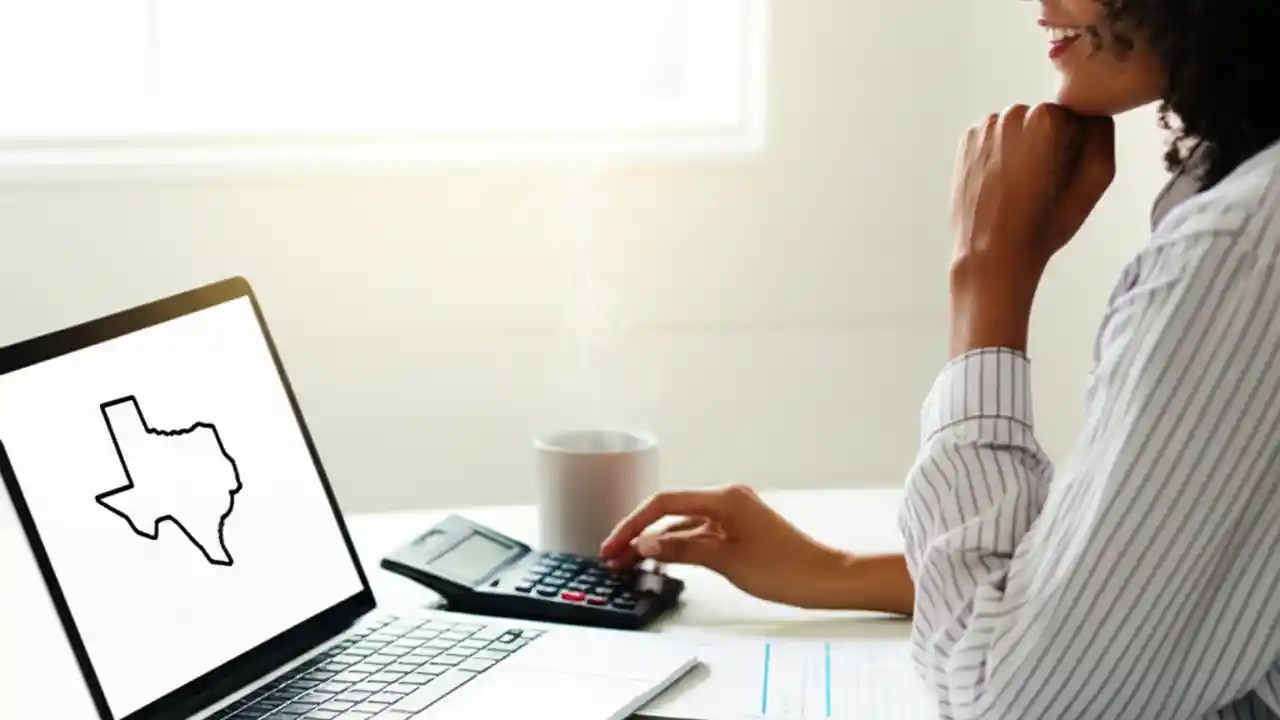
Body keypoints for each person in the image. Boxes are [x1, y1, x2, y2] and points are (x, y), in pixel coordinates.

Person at [600, 0, 1280, 717]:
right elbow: (1164, 593)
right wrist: (834, 571)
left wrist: (988, 276)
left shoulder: (1240, 250)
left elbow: (1012, 703)